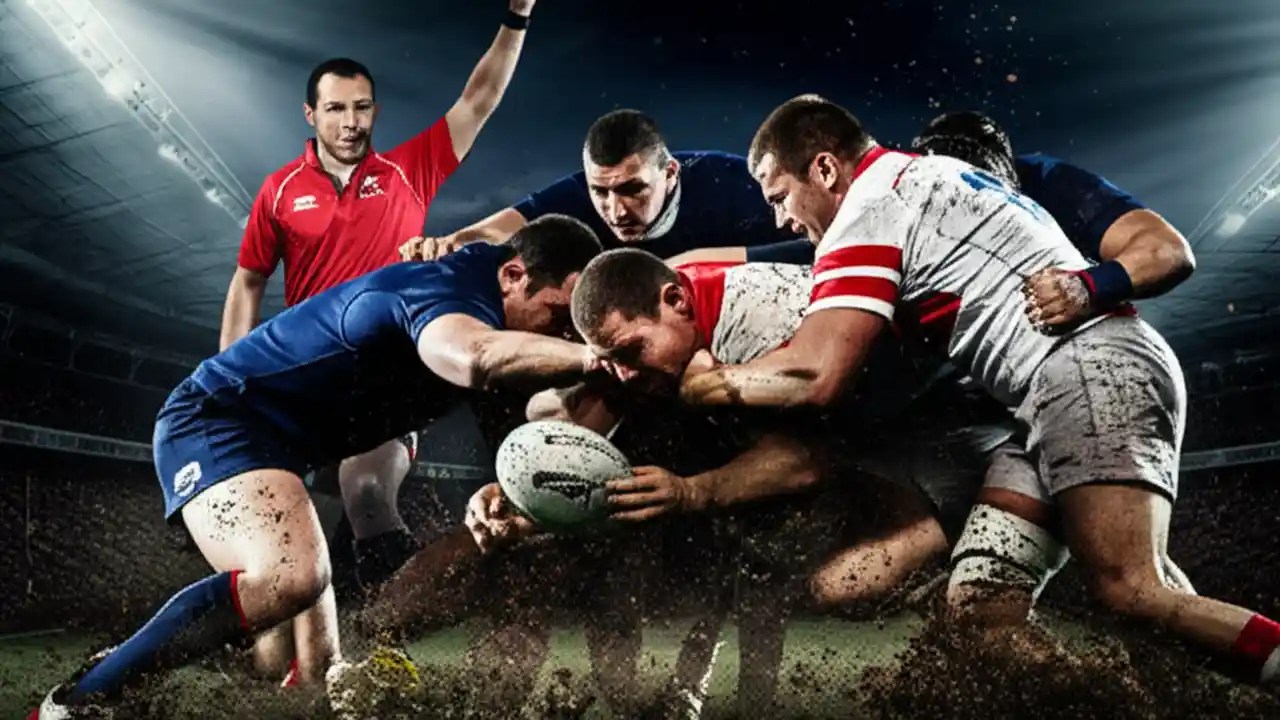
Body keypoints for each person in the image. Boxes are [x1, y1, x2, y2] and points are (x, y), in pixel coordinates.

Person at [676, 94, 1280, 684]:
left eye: (780, 196)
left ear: (826, 168)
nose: (780, 215)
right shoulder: (930, 178)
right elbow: (761, 255)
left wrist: (705, 384)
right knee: (981, 612)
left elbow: (817, 374)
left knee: (1130, 590)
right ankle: (1148, 697)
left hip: (1084, 372)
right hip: (1049, 395)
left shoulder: (870, 207)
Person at [31, 216, 604, 718]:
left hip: (283, 451)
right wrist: (600, 357)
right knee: (289, 577)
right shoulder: (447, 290)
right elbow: (475, 357)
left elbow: (541, 400)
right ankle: (76, 703)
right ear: (513, 277)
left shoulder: (506, 307)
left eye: (572, 330)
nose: (559, 337)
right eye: (557, 317)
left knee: (322, 680)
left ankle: (145, 671)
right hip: (216, 422)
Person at [218, 0, 538, 683]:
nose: (352, 121)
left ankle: (385, 635)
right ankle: (296, 661)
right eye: (336, 109)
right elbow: (247, 281)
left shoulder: (408, 172)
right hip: (299, 382)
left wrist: (516, 16)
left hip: (382, 382)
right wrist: (228, 371)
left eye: (362, 107)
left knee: (366, 489)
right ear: (312, 115)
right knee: (278, 571)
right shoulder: (279, 193)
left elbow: (477, 101)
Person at [398, 108, 802, 262]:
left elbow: (822, 245)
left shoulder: (734, 184)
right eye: (601, 192)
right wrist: (452, 242)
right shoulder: (585, 192)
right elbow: (506, 227)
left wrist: (697, 264)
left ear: (671, 174)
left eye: (633, 190)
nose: (616, 210)